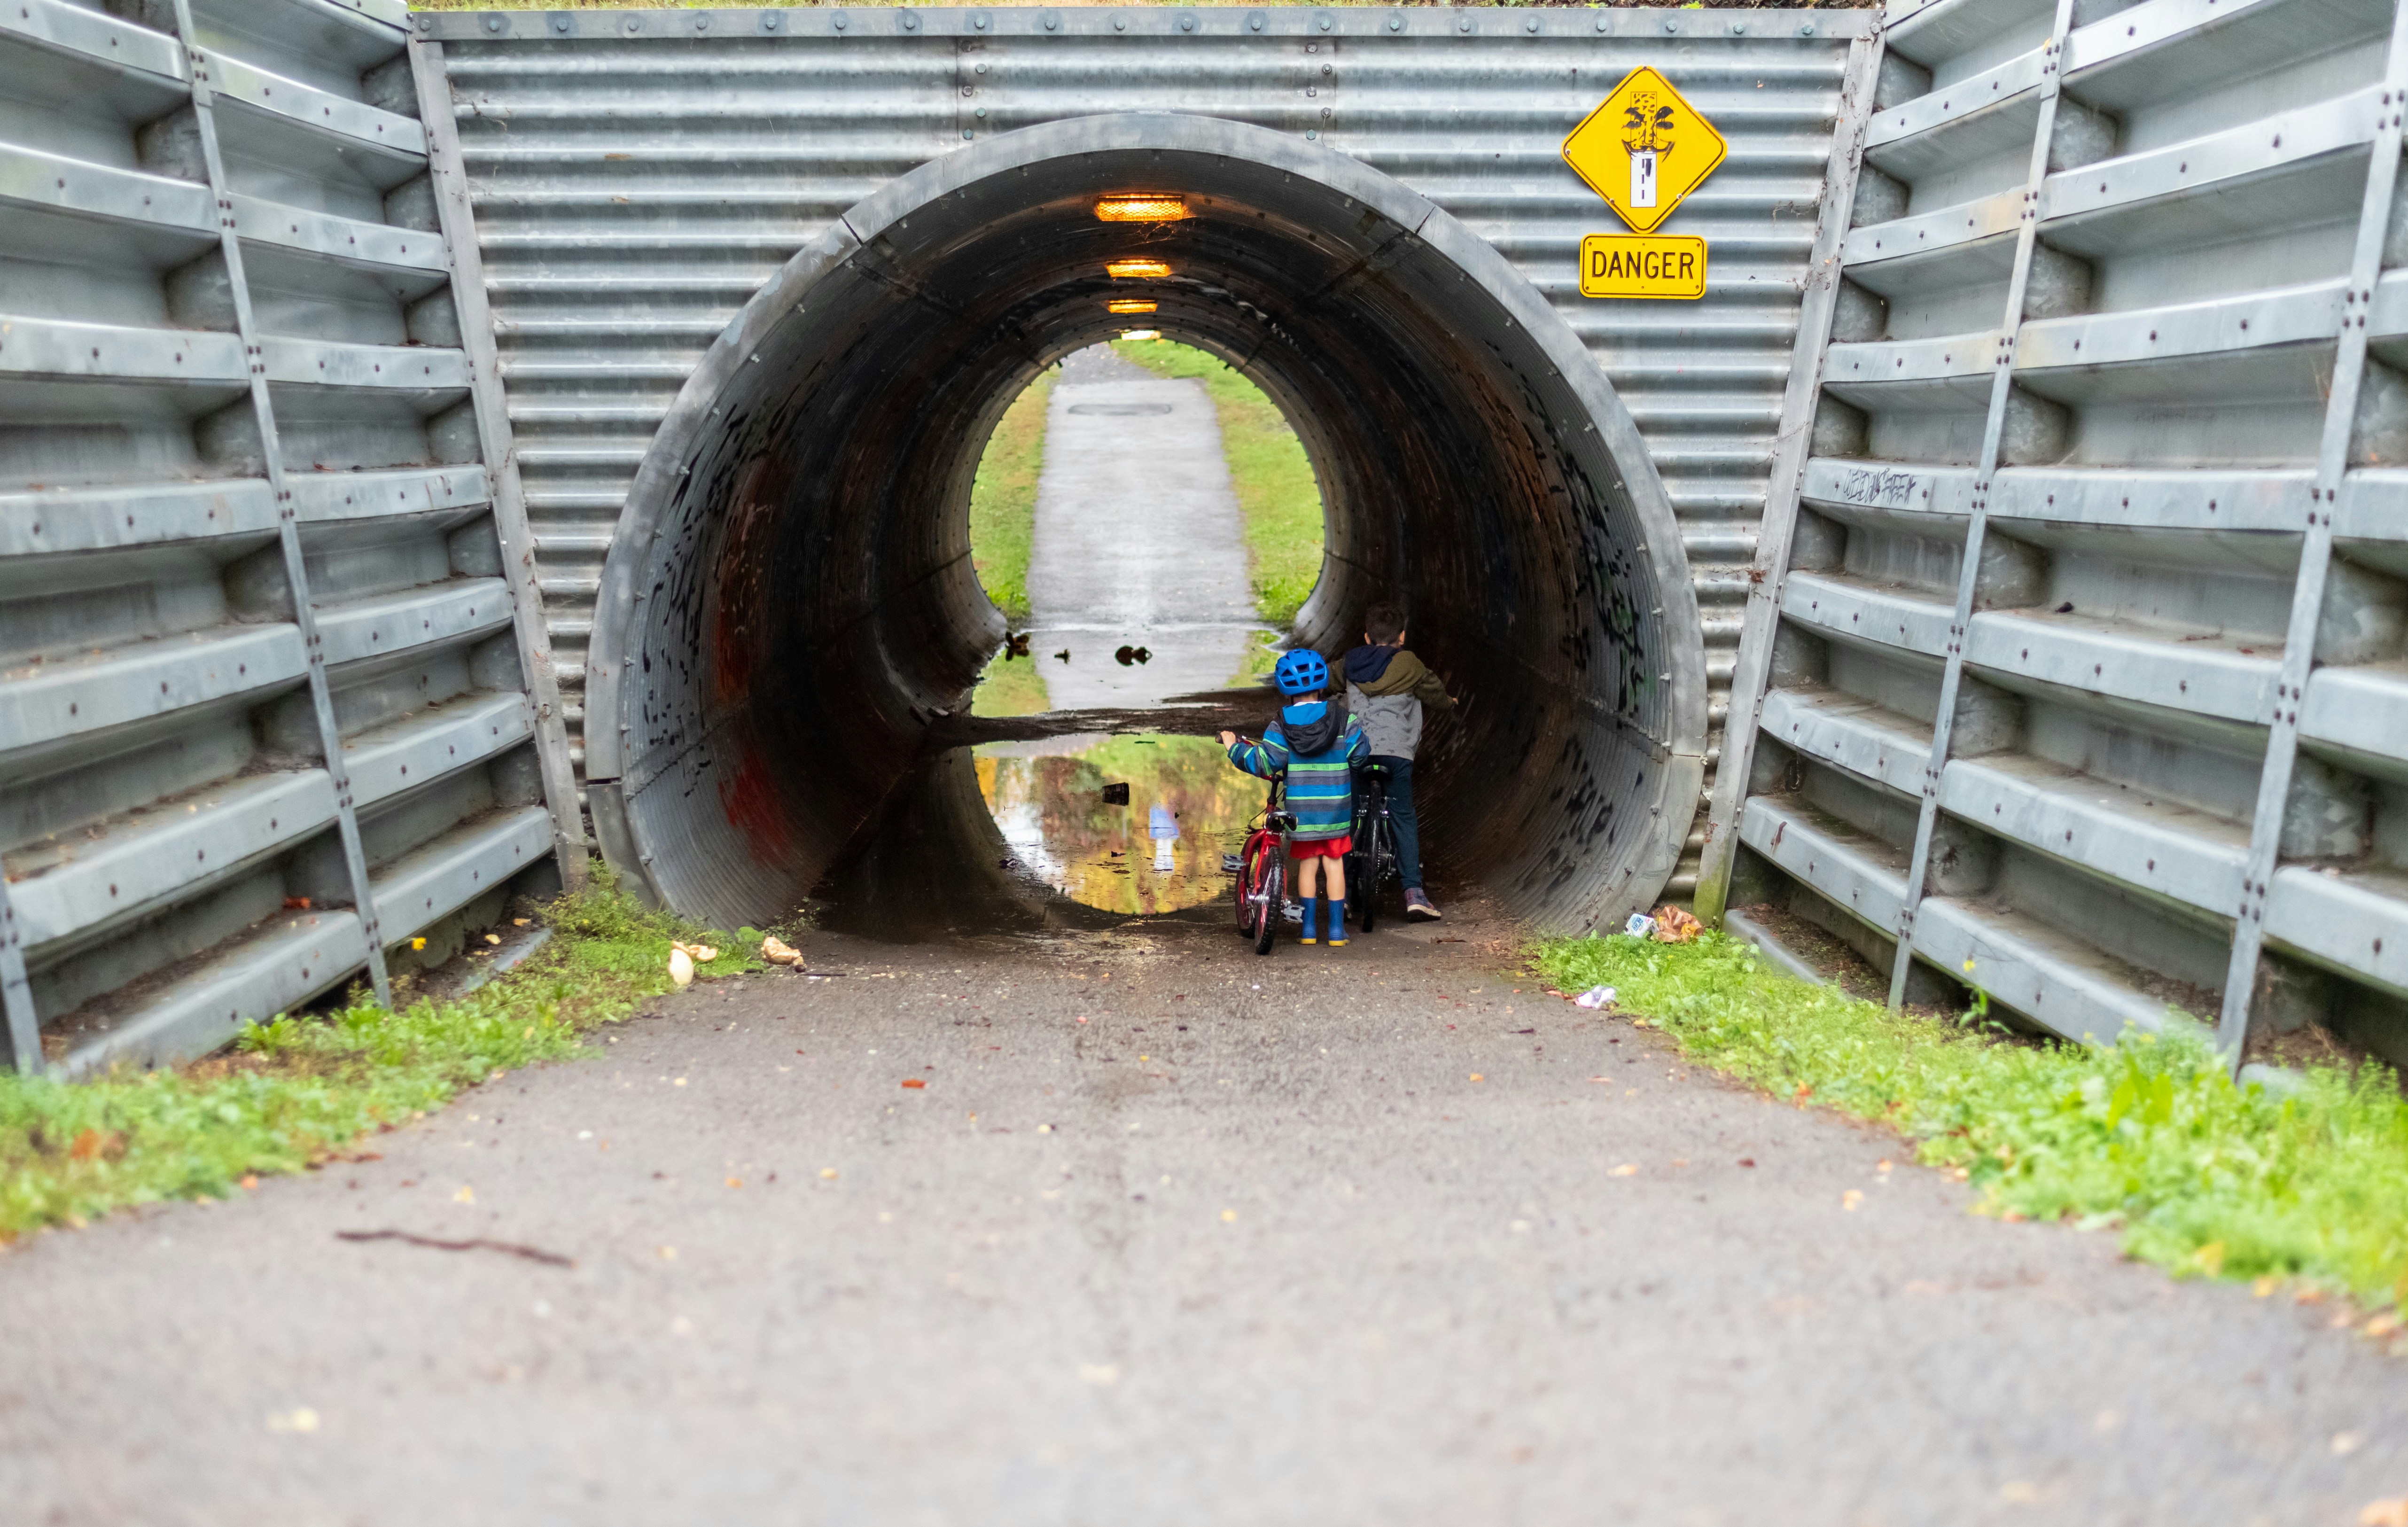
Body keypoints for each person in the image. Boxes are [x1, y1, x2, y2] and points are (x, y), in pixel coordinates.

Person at [1219, 648, 1368, 947]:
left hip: (1302, 813)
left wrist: (1233, 747)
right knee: (1335, 864)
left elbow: (1264, 761)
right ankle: (1337, 932)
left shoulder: (1281, 726)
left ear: (1285, 689)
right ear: (1323, 685)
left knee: (1309, 866)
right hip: (1336, 811)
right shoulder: (1343, 719)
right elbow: (1360, 755)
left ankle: (1309, 930)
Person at [1341, 601, 1456, 921]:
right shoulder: (1411, 665)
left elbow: (1329, 681)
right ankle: (1414, 894)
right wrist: (1448, 703)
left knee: (1349, 816)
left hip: (1356, 752)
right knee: (1402, 816)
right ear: (1402, 636)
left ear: (1366, 637)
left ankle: (1345, 892)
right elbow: (1434, 693)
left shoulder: (1350, 662)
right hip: (1397, 754)